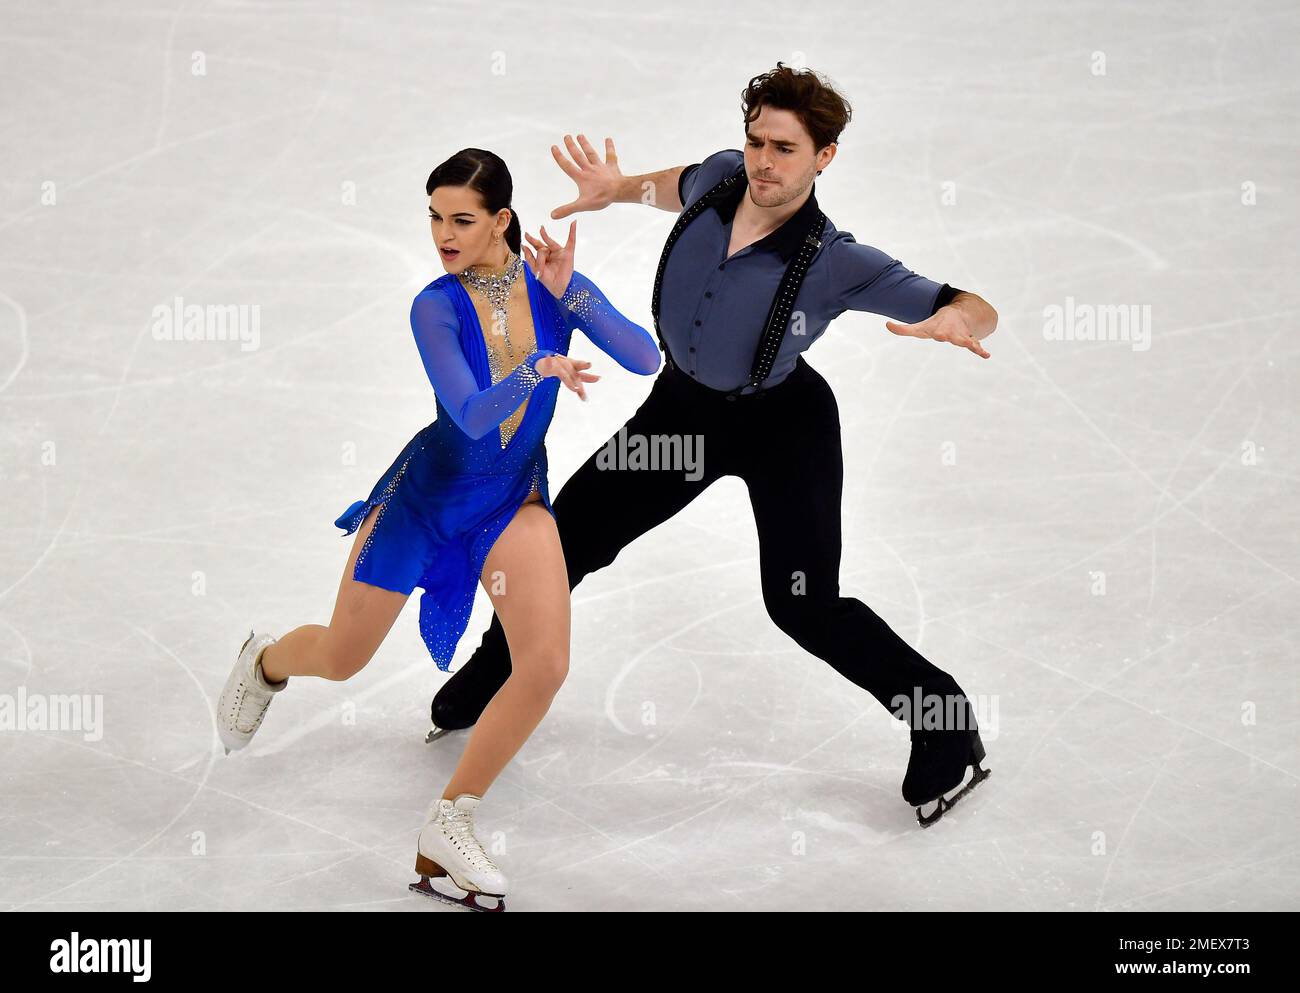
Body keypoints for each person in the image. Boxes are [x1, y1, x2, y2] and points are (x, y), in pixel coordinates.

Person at [429, 65, 999, 827]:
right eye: (757, 139)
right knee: (562, 543)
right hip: (683, 420)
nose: (765, 160)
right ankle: (500, 668)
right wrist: (620, 185)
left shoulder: (835, 260)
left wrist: (962, 320)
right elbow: (679, 180)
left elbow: (964, 301)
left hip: (783, 429)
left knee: (802, 604)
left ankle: (945, 719)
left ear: (824, 156)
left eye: (786, 149)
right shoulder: (724, 180)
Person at [214, 148, 660, 912]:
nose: (443, 235)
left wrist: (574, 299)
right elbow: (472, 412)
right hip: (425, 504)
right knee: (343, 655)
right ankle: (266, 662)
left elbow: (645, 359)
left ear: (502, 222)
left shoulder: (552, 286)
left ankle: (449, 824)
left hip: (509, 505)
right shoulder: (434, 305)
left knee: (545, 664)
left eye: (461, 219)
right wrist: (539, 365)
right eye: (434, 217)